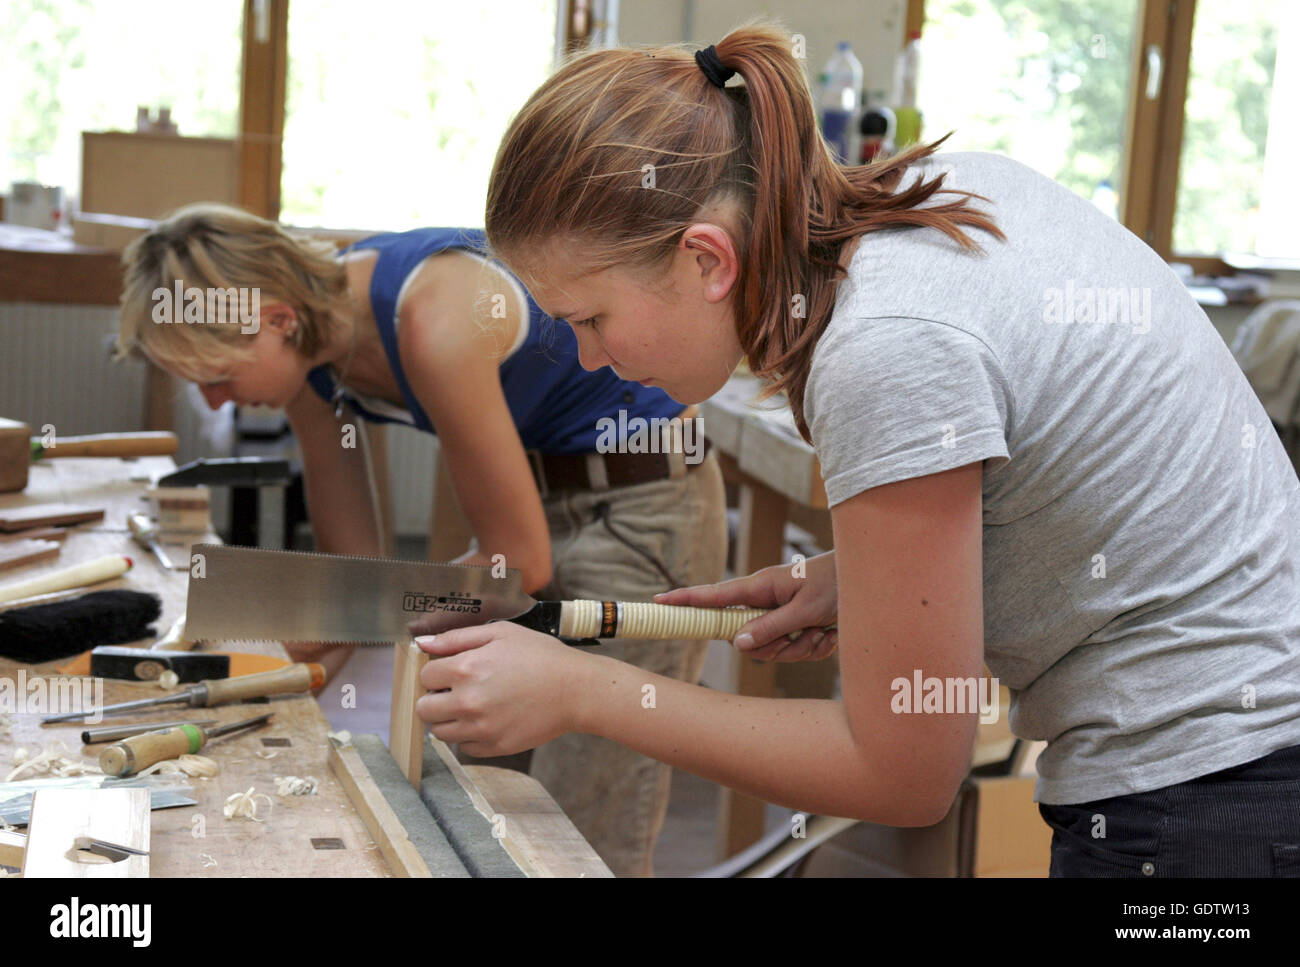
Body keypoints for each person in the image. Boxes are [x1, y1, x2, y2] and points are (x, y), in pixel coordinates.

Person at [413, 24, 1300, 877]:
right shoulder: (930, 192)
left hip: (1216, 798)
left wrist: (583, 693)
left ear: (706, 260)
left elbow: (906, 772)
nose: (590, 358)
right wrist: (870, 573)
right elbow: (1081, 474)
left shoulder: (883, 345)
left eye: (590, 318)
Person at [116, 206, 727, 876]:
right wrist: (248, 692)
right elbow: (352, 576)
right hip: (544, 493)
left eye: (218, 376)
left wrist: (329, 624)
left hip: (643, 504)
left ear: (278, 318)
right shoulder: (311, 361)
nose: (212, 402)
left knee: (584, 824)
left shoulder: (432, 319)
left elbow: (515, 561)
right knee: (480, 811)